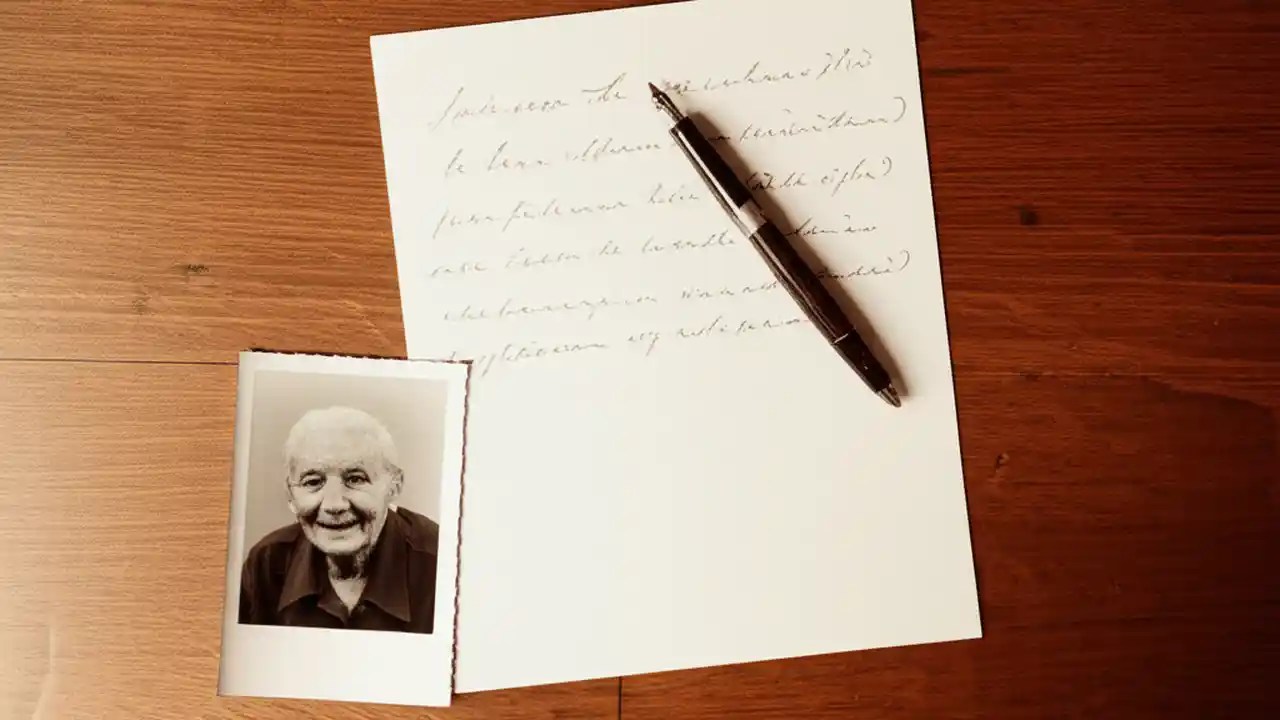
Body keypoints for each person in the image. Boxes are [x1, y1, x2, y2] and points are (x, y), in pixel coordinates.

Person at [238, 406, 439, 633]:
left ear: (394, 486)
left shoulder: (440, 564)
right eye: (313, 482)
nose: (334, 505)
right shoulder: (266, 564)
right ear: (290, 494)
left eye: (356, 479)